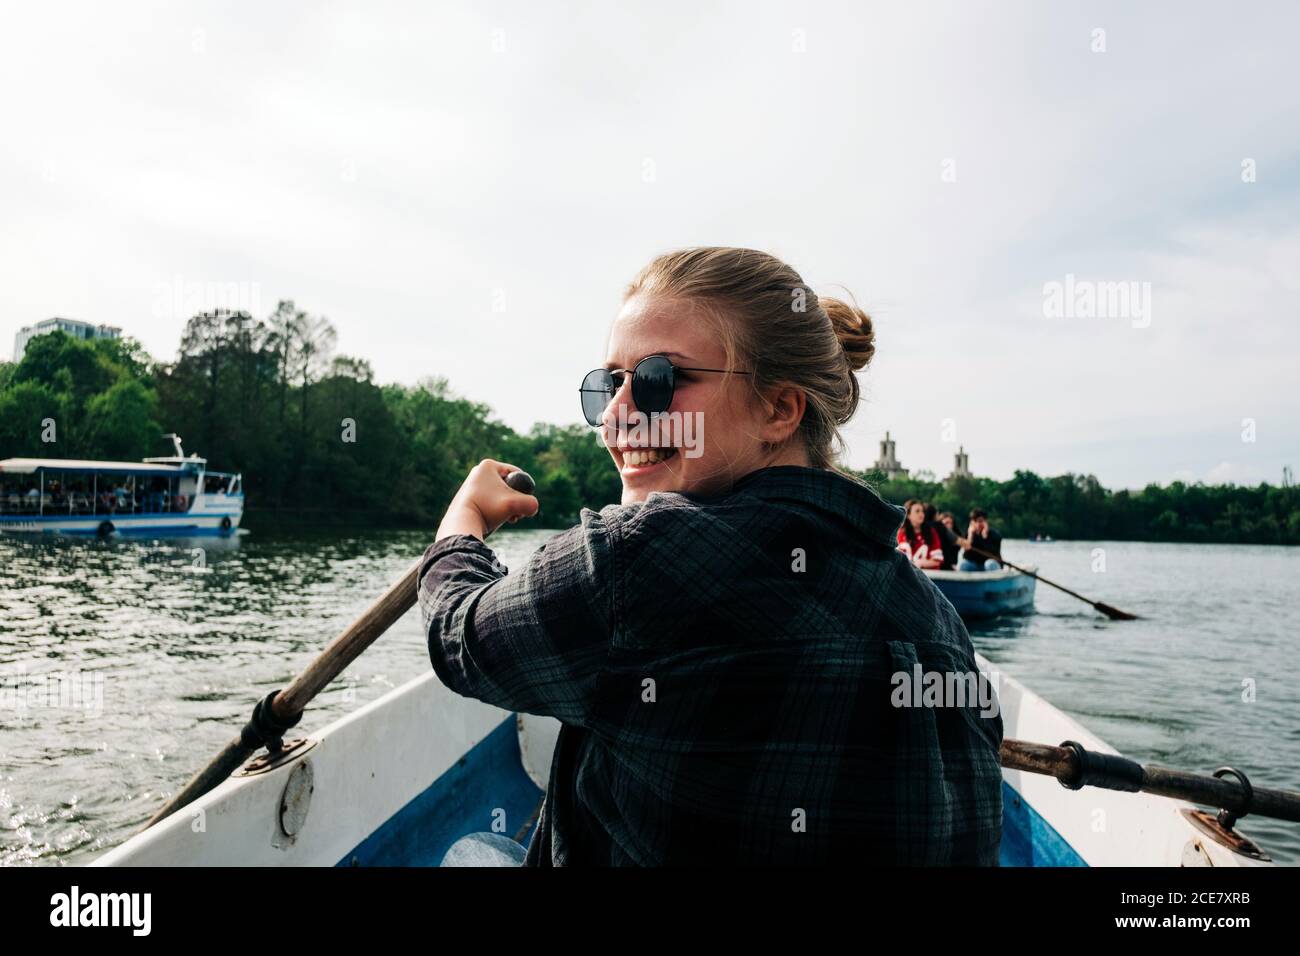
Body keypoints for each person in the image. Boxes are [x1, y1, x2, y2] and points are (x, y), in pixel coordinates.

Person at [420, 247, 1003, 866]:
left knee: (476, 849)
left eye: (656, 381)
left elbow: (458, 636)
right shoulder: (939, 621)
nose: (616, 417)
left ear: (779, 409)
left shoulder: (638, 558)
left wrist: (466, 521)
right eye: (607, 386)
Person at [897, 499, 944, 570]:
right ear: (908, 515)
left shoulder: (931, 532)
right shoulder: (900, 532)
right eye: (917, 511)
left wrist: (921, 563)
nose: (921, 514)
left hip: (928, 576)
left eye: (923, 511)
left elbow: (937, 561)